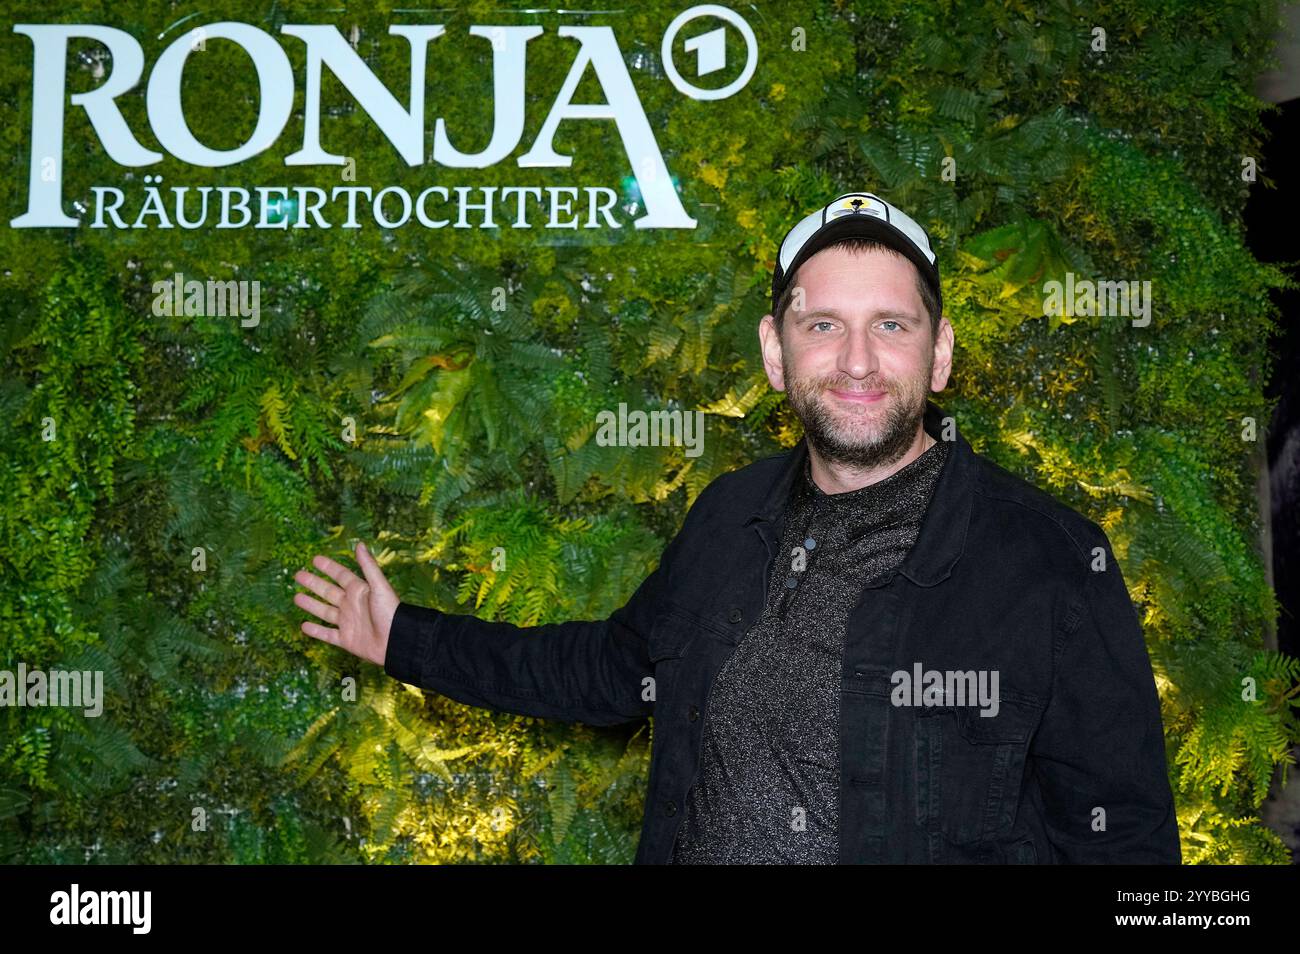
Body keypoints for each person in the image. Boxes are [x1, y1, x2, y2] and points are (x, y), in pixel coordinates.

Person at [293, 191, 1181, 864]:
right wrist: (407, 639)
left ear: (940, 353)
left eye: (893, 326)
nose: (859, 361)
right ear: (774, 352)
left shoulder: (1054, 562)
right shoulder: (728, 514)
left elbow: (1125, 839)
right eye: (823, 324)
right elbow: (610, 671)